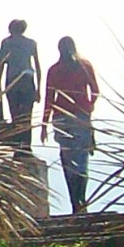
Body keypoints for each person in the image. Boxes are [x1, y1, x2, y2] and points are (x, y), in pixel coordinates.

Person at [42, 36, 101, 213]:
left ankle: (75, 202)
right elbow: (95, 91)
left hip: (61, 117)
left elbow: (49, 98)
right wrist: (89, 106)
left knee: (67, 160)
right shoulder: (85, 65)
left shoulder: (54, 70)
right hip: (81, 116)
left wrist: (44, 124)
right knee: (82, 159)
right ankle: (81, 200)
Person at [0, 19, 41, 151]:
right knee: (27, 115)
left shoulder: (6, 43)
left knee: (14, 114)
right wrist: (38, 88)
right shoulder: (31, 43)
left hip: (12, 80)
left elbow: (1, 65)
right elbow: (37, 66)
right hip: (28, 79)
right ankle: (27, 146)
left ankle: (18, 147)